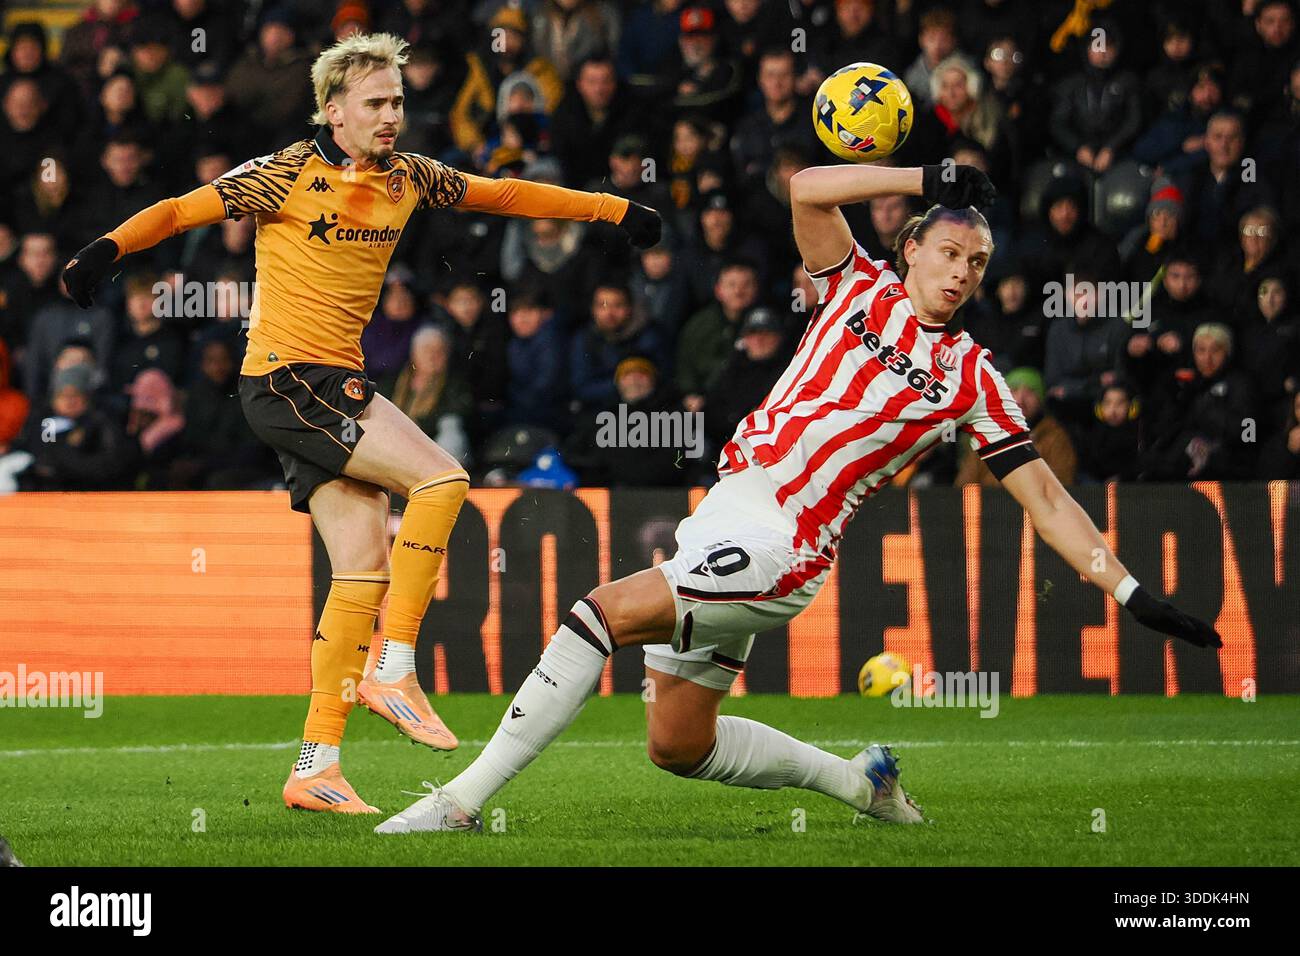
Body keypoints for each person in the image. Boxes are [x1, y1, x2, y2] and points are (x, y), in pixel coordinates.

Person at [376, 162, 1221, 835]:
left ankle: (458, 802)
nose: (962, 273)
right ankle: (864, 784)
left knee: (598, 612)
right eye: (950, 253)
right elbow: (805, 188)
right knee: (678, 744)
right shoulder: (856, 285)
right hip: (728, 508)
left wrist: (1128, 590)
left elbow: (1046, 499)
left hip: (787, 545)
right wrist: (926, 176)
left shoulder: (973, 377)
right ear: (912, 247)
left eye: (977, 264)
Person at [60, 31, 662, 815]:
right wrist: (104, 251)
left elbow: (508, 194)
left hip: (327, 383)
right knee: (443, 477)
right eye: (375, 103)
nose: (391, 116)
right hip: (287, 379)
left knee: (362, 569)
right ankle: (395, 666)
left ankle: (316, 765)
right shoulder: (283, 174)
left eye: (398, 103)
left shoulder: (410, 175)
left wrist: (615, 209)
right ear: (333, 110)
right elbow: (180, 210)